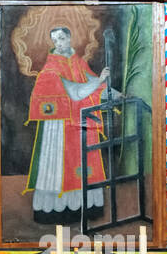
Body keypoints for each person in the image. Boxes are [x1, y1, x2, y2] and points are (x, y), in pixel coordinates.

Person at [24, 24, 108, 222]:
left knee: (83, 164)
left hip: (80, 122)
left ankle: (85, 208)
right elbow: (76, 92)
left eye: (61, 38)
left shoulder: (78, 62)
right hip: (58, 129)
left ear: (70, 38)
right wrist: (98, 81)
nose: (58, 43)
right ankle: (56, 211)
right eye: (55, 40)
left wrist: (109, 87)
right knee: (59, 167)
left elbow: (97, 86)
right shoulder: (51, 69)